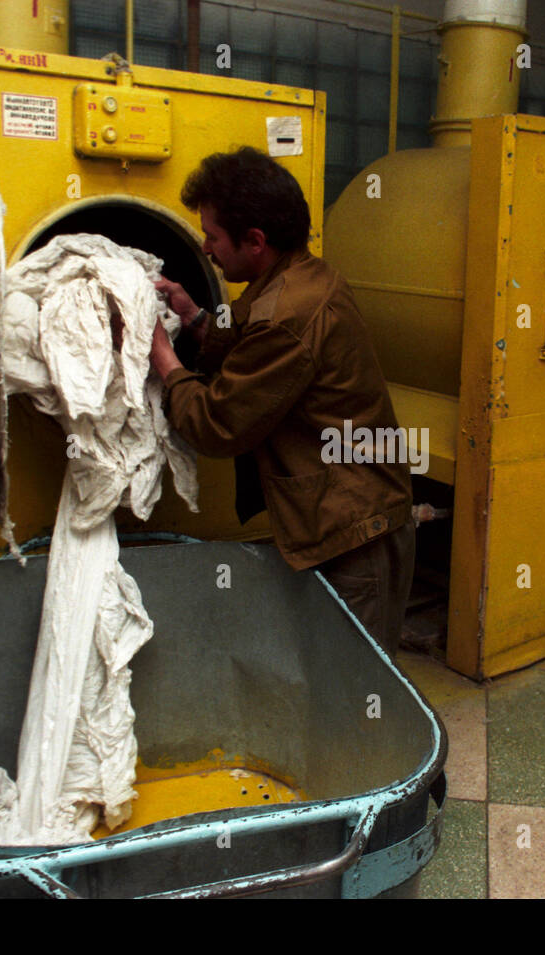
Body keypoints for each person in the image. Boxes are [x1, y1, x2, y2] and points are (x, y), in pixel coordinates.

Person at [148, 146, 415, 658]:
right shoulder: (296, 277)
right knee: (328, 673)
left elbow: (217, 424)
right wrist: (196, 315)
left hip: (356, 534)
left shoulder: (290, 314)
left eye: (212, 236)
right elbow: (246, 339)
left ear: (255, 241)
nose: (204, 247)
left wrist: (160, 354)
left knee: (353, 685)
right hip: (345, 517)